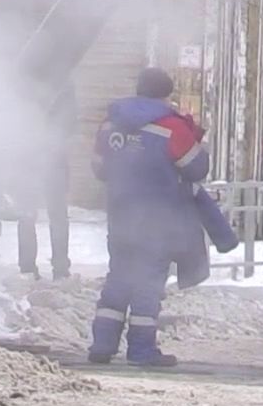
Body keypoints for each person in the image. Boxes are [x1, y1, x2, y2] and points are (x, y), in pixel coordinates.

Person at [88, 67, 209, 368]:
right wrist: (196, 136)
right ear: (166, 95)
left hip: (120, 215)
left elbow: (99, 169)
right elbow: (196, 169)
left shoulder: (109, 124)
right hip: (157, 219)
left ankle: (102, 345)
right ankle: (141, 351)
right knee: (148, 283)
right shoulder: (172, 127)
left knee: (118, 277)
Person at [16, 79, 75, 280]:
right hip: (48, 157)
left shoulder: (27, 78)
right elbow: (70, 123)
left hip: (30, 156)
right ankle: (59, 267)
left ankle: (28, 266)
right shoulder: (64, 83)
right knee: (56, 215)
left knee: (28, 213)